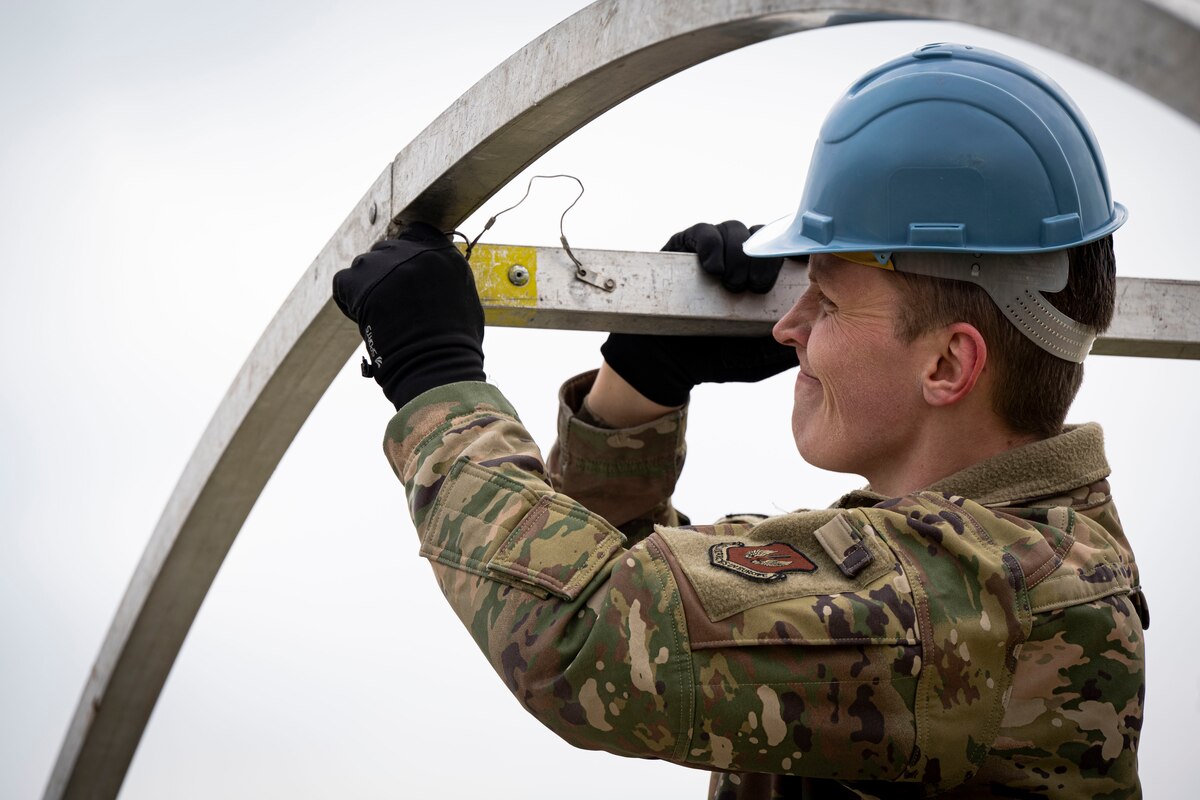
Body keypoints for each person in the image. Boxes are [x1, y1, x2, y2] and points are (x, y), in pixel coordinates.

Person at [333, 44, 1146, 798]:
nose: (787, 330)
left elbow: (581, 636)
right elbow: (614, 572)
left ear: (946, 366)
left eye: (825, 299)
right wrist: (641, 383)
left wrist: (437, 380)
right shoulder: (997, 561)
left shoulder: (982, 587)